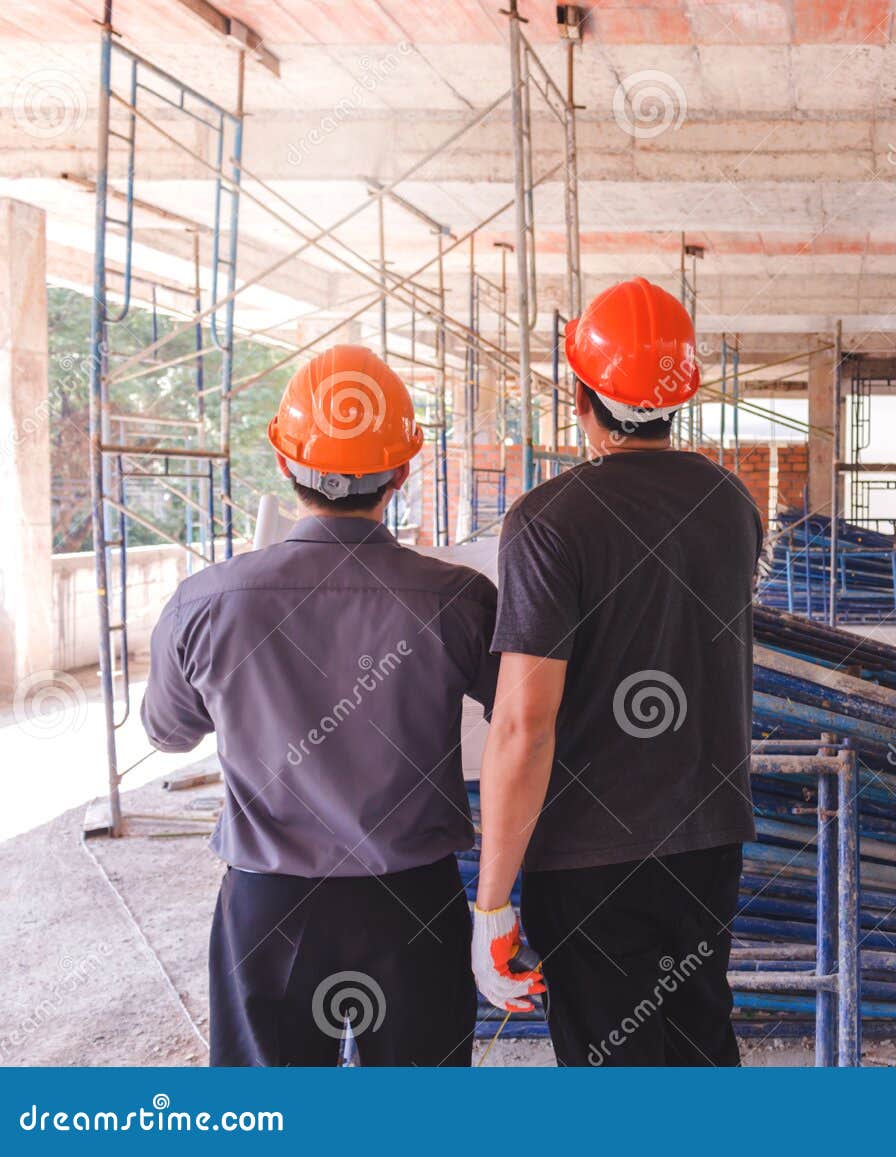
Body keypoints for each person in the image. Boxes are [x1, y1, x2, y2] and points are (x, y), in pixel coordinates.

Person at [141, 345, 507, 1066]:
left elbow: (168, 732)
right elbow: (527, 722)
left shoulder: (208, 602)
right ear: (402, 471)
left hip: (269, 908)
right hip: (412, 904)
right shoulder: (459, 600)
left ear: (285, 461)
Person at [470, 277, 763, 1066]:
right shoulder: (732, 504)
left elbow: (524, 726)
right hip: (709, 843)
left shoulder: (547, 521)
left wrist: (492, 903)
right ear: (680, 396)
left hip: (590, 860)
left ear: (580, 394)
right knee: (700, 1047)